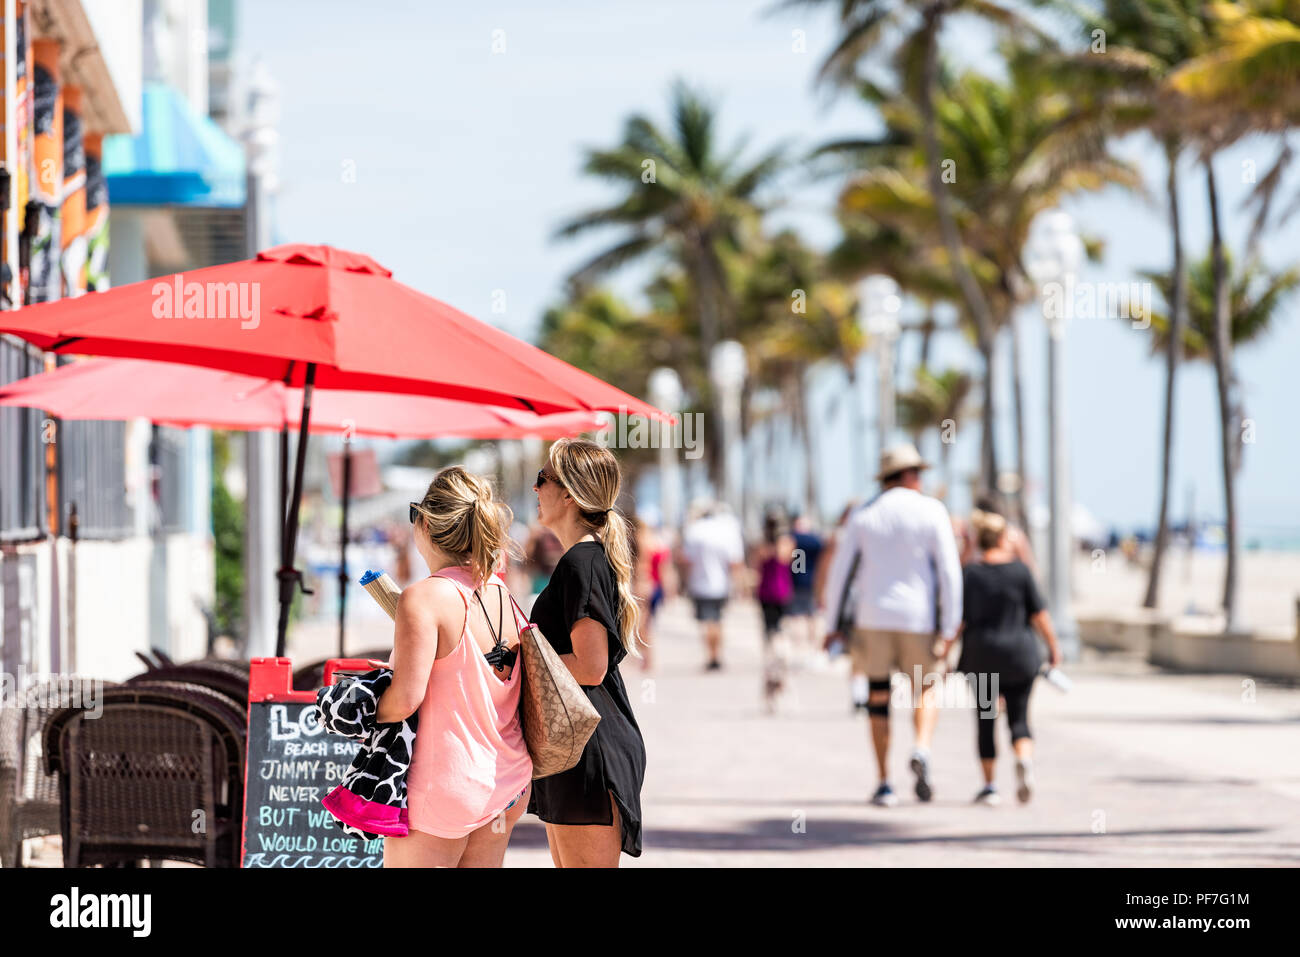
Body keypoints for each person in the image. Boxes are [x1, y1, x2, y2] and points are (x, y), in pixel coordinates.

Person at [376, 466, 533, 867]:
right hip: (506, 779)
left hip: (444, 787)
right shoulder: (499, 590)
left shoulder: (424, 598)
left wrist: (347, 707)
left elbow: (405, 700)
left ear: (425, 522)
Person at [823, 444, 963, 807]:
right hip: (919, 620)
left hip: (872, 618)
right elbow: (949, 572)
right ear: (909, 475)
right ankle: (922, 748)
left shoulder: (864, 514)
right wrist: (950, 627)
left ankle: (884, 782)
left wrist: (832, 624)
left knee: (878, 698)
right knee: (926, 688)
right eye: (918, 472)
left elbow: (840, 573)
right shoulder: (932, 510)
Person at [529, 437, 647, 865]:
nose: (535, 489)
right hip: (575, 745)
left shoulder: (583, 562)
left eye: (542, 478)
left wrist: (523, 658)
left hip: (587, 748)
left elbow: (591, 666)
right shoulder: (581, 560)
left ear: (568, 493)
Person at [944, 507, 1061, 806]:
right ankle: (1023, 759)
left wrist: (944, 653)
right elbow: (1040, 615)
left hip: (982, 657)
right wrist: (1053, 647)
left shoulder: (970, 573)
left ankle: (990, 786)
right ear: (1003, 538)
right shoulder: (1021, 572)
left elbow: (959, 622)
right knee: (1020, 718)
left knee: (985, 719)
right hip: (1020, 655)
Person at [680, 499, 746, 671]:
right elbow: (735, 561)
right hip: (722, 584)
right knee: (718, 620)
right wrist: (740, 585)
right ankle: (717, 655)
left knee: (706, 622)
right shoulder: (726, 531)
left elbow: (687, 560)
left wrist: (684, 582)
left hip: (699, 583)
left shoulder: (694, 530)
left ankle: (711, 655)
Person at [754, 511, 796, 711]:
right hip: (766, 596)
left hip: (781, 595)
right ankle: (770, 686)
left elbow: (785, 557)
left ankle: (781, 681)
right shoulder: (762, 544)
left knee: (782, 644)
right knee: (770, 643)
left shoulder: (786, 542)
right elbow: (758, 562)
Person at [787, 514, 826, 662]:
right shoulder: (816, 540)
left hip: (795, 581)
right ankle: (813, 647)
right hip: (812, 581)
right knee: (812, 616)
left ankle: (799, 648)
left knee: (797, 616)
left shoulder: (791, 538)